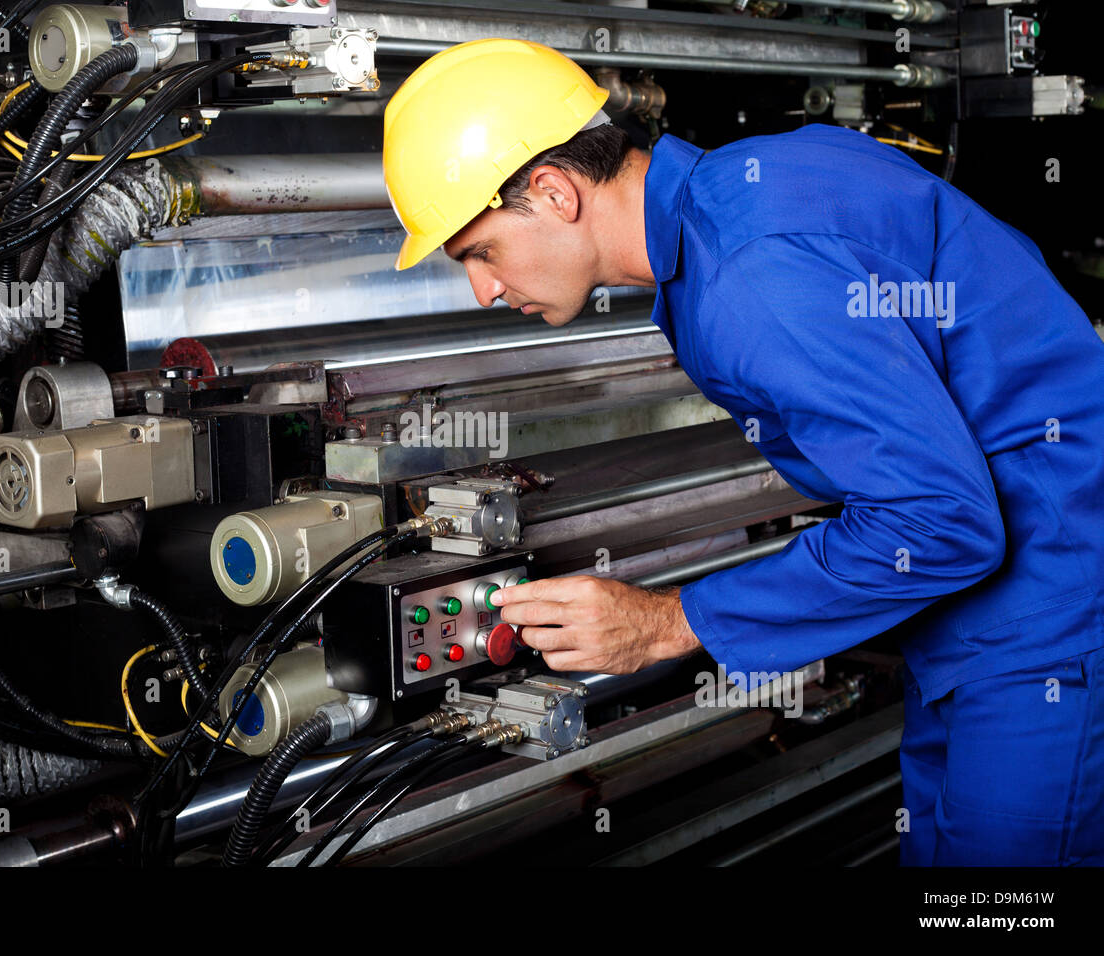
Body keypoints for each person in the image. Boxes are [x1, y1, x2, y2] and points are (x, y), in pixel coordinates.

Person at [382, 38, 1104, 865]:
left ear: (553, 192)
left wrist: (669, 623)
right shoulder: (740, 196)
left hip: (1052, 618)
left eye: (480, 251)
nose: (484, 289)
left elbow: (940, 522)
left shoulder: (752, 276)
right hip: (985, 620)